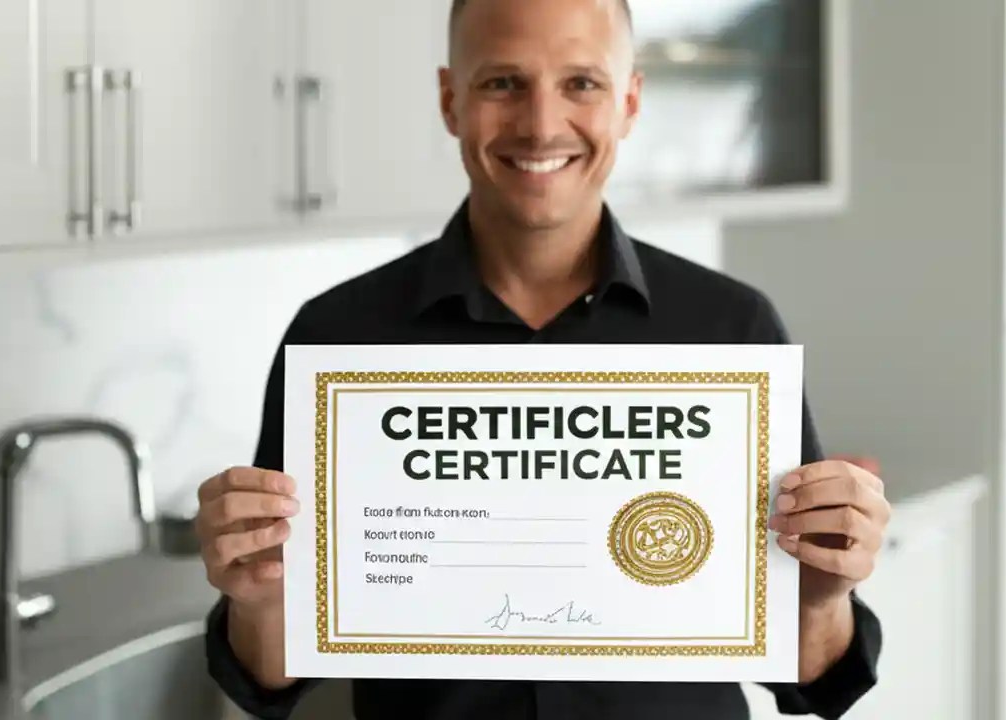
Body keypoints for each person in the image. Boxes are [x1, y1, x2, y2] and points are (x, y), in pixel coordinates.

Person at [194, 0, 891, 717]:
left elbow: (807, 676)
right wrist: (259, 596)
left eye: (581, 83)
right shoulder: (339, 337)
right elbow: (272, 673)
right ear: (450, 101)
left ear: (629, 102)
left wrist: (818, 595)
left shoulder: (732, 329)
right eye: (502, 83)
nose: (541, 124)